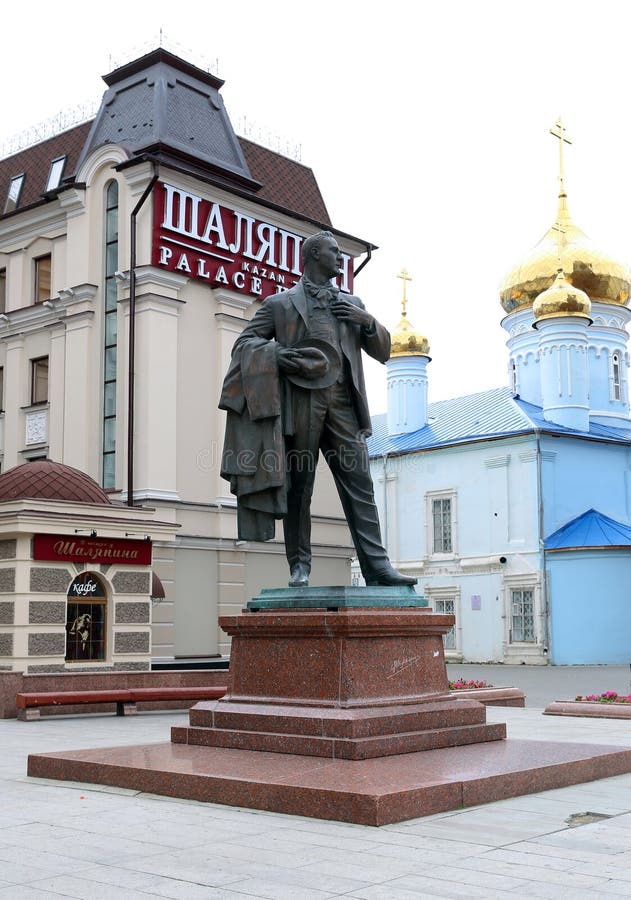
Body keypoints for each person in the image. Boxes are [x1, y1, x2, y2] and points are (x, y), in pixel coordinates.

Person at [219, 230, 416, 588]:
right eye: (334, 251)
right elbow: (245, 343)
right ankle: (299, 565)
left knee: (361, 485)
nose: (341, 258)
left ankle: (377, 566)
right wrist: (281, 356)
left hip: (343, 405)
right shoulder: (280, 304)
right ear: (312, 256)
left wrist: (366, 321)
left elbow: (385, 351)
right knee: (300, 486)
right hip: (301, 403)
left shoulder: (353, 302)